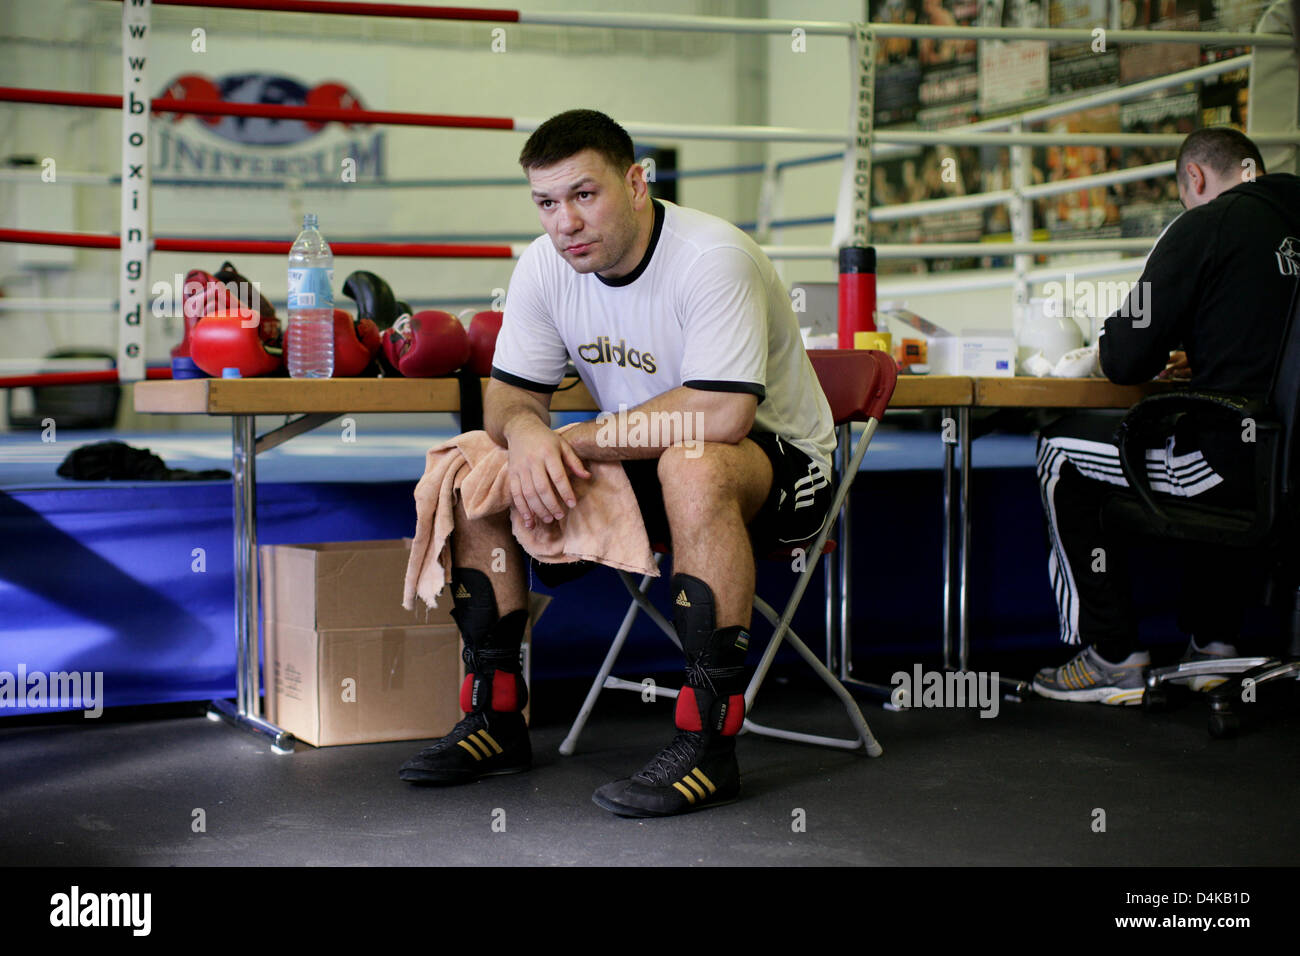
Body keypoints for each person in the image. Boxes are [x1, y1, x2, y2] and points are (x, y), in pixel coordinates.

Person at [398, 110, 836, 815]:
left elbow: (723, 416)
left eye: (584, 194)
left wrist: (569, 440)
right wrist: (530, 436)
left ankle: (708, 742)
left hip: (779, 468)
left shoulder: (710, 257)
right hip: (641, 458)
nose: (565, 222)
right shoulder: (545, 266)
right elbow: (507, 397)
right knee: (475, 461)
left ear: (636, 183)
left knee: (694, 462)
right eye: (546, 203)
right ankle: (496, 716)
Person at [1032, 127, 1300, 704]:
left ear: (1195, 179)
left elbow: (1125, 356)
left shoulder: (1205, 225)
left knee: (1061, 448)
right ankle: (1214, 647)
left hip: (1232, 459)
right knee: (1228, 445)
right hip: (1282, 460)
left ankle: (1112, 657)